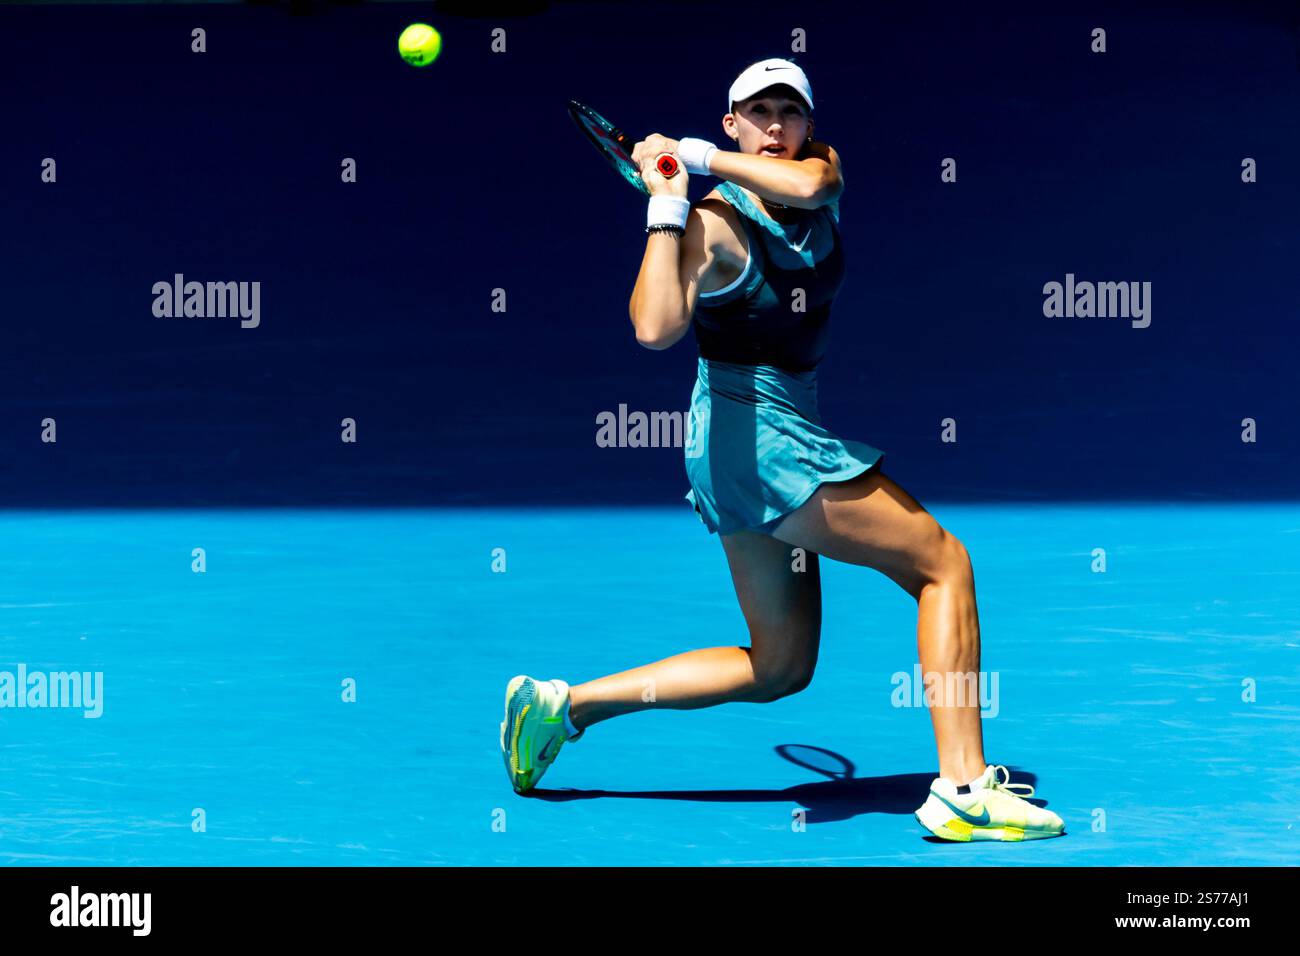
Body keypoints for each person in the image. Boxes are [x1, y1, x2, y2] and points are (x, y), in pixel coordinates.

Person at [501, 58, 1064, 842]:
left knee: (780, 666)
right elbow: (655, 328)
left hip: (757, 441)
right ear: (732, 122)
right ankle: (965, 786)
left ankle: (563, 706)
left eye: (788, 113)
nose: (775, 126)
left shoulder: (817, 172)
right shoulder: (716, 226)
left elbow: (811, 188)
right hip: (755, 436)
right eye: (756, 112)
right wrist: (668, 211)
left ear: (807, 124)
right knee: (943, 563)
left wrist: (691, 157)